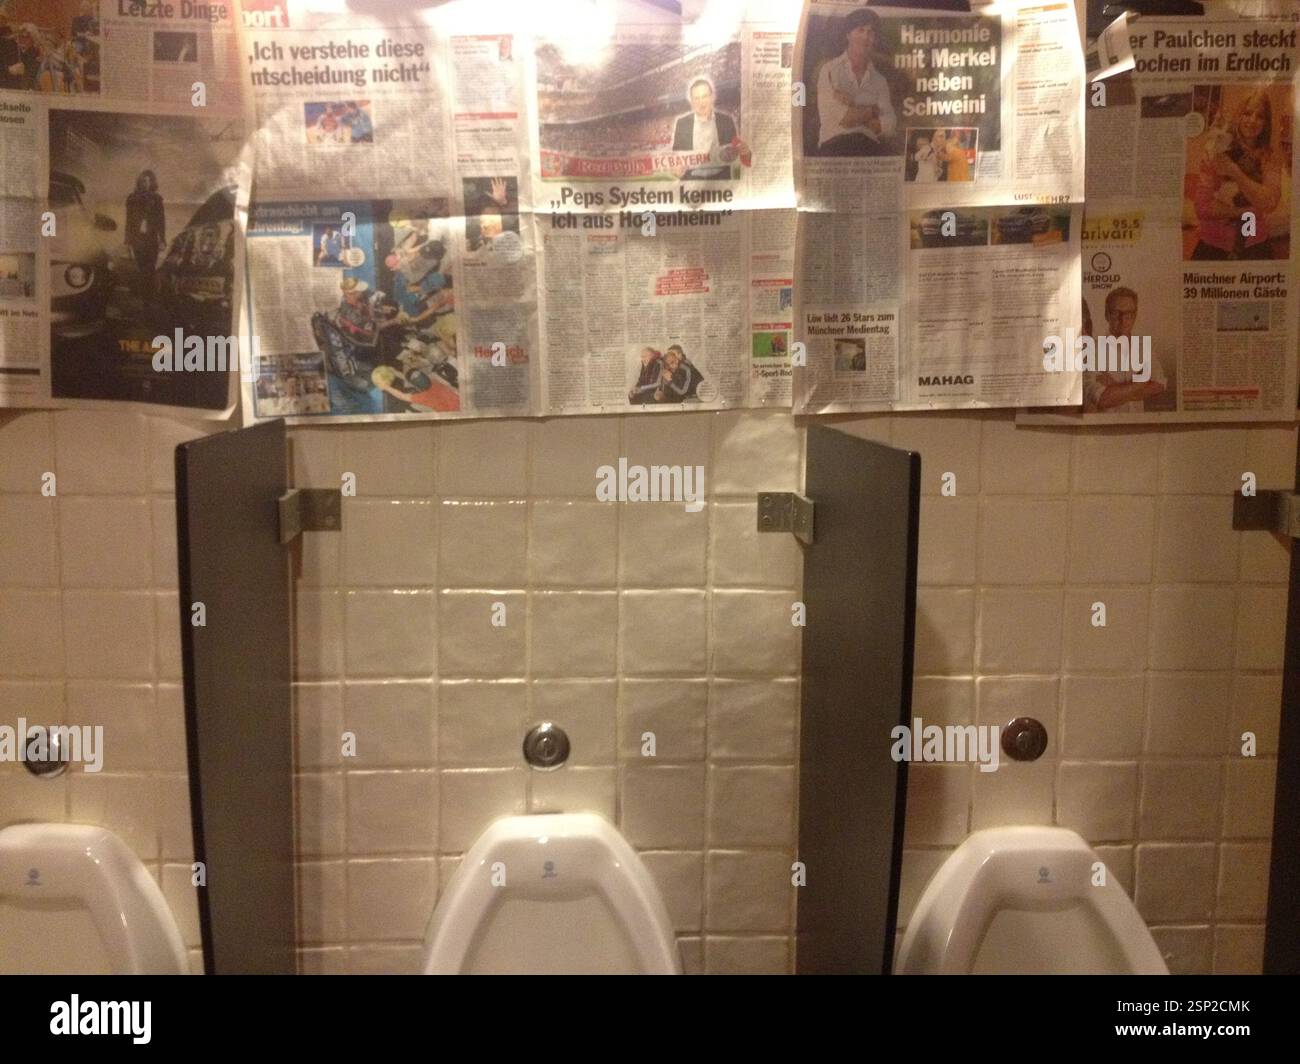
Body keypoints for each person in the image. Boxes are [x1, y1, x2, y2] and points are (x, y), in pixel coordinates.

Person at [1193, 90, 1283, 260]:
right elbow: (1202, 207)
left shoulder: (1269, 157)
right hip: (1212, 244)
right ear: (1238, 115)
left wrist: (1234, 171)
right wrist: (1244, 212)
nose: (1252, 121)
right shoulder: (1218, 151)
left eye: (1260, 116)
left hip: (1253, 244)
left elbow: (1269, 203)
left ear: (1266, 123)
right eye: (1247, 113)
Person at [815, 7, 896, 156]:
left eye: (870, 32)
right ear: (848, 34)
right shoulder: (829, 70)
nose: (865, 37)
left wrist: (853, 109)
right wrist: (873, 111)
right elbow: (842, 118)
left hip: (870, 148)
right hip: (834, 147)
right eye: (860, 30)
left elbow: (890, 125)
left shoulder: (879, 80)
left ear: (875, 39)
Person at [1082, 286, 1167, 414]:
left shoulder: (1143, 346)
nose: (1123, 320)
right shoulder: (1092, 350)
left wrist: (1115, 387)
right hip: (1108, 430)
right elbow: (1102, 399)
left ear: (1135, 315)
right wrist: (1143, 380)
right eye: (1116, 313)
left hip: (1139, 428)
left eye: (1128, 313)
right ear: (1107, 314)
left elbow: (1160, 385)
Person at [672, 77, 743, 161]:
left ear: (712, 97)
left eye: (705, 96)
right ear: (691, 101)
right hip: (691, 173)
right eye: (696, 98)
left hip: (722, 173)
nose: (701, 102)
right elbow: (675, 156)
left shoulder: (727, 121)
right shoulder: (682, 124)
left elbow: (734, 154)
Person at [125, 169, 165, 298]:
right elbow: (128, 221)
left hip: (151, 238)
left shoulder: (157, 199)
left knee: (151, 266)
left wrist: (163, 239)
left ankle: (149, 294)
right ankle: (143, 294)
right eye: (143, 181)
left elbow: (161, 221)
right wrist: (127, 241)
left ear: (152, 183)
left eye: (148, 181)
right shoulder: (132, 198)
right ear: (139, 182)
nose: (145, 183)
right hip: (137, 239)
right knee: (141, 266)